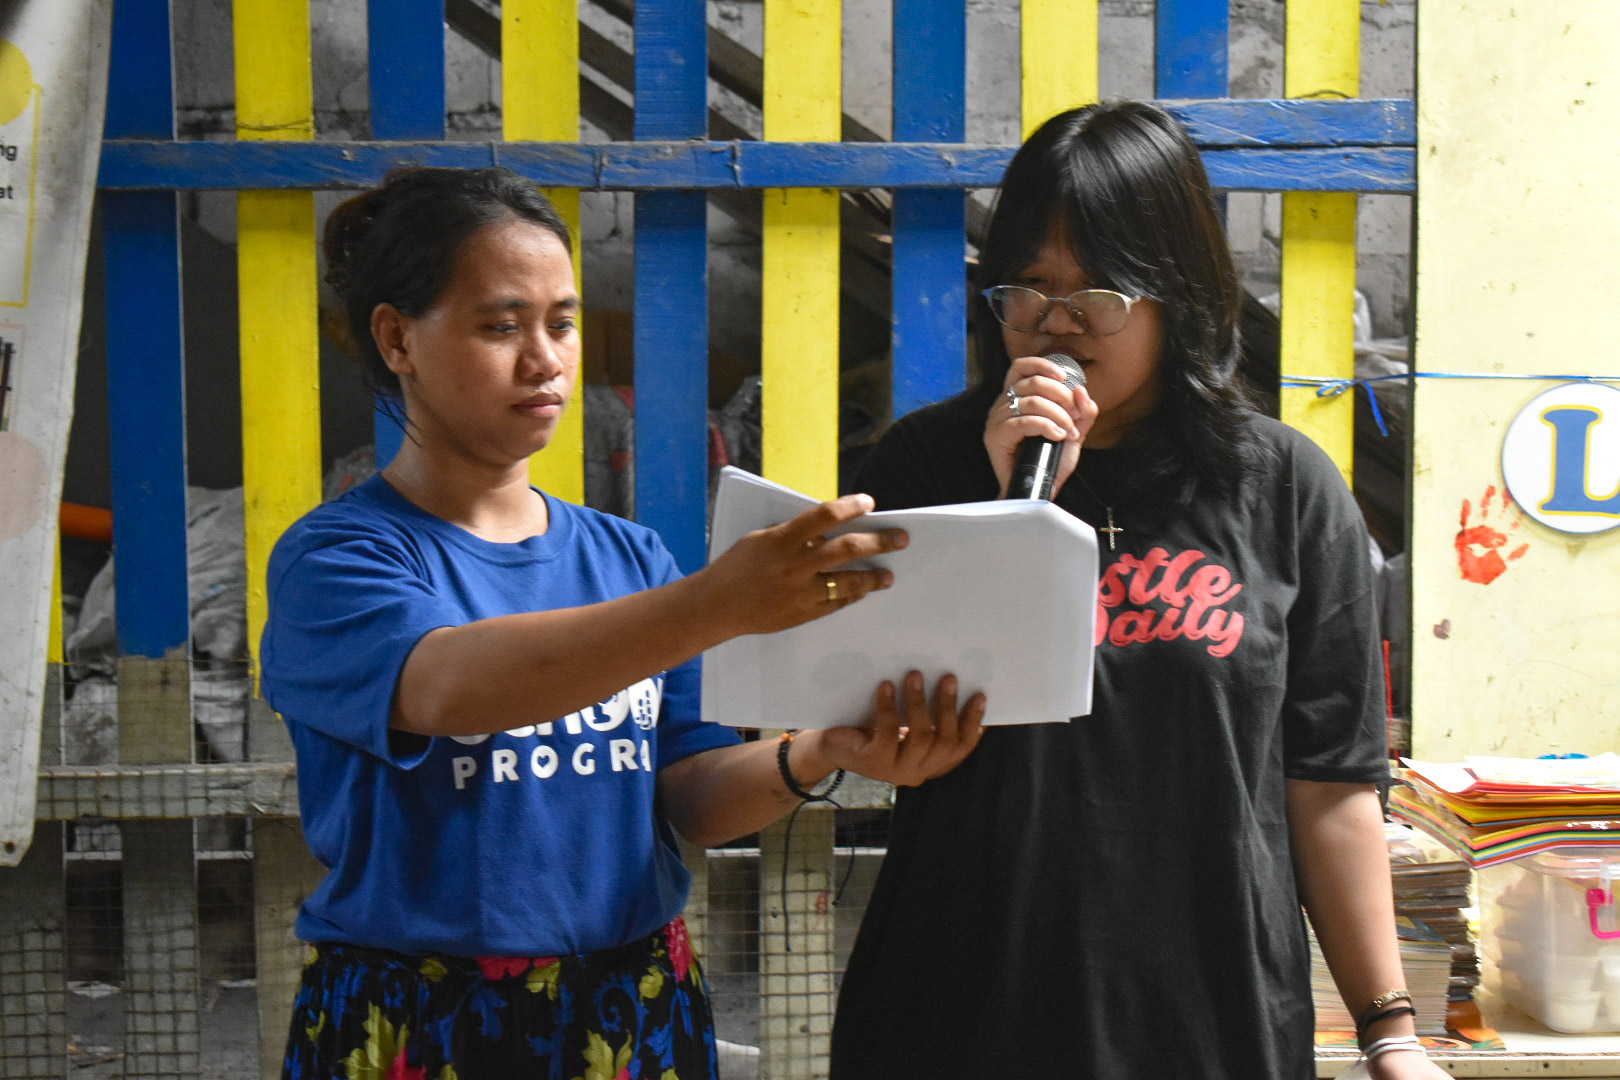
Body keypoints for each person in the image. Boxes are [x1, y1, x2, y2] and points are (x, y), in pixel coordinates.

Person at [260, 166, 985, 1080]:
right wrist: (717, 602)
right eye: (499, 325)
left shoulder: (626, 558)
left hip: (629, 1005)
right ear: (397, 338)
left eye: (560, 322)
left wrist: (818, 752)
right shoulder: (340, 557)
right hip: (418, 1015)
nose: (546, 359)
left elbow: (692, 795)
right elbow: (449, 687)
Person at [829, 102, 1448, 1080]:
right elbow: (869, 724)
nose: (1057, 326)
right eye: (1028, 291)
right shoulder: (925, 466)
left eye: (1099, 294)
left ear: (1181, 296)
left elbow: (1329, 785)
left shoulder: (1283, 487)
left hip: (1206, 1014)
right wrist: (1011, 507)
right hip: (961, 1008)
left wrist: (1392, 1031)